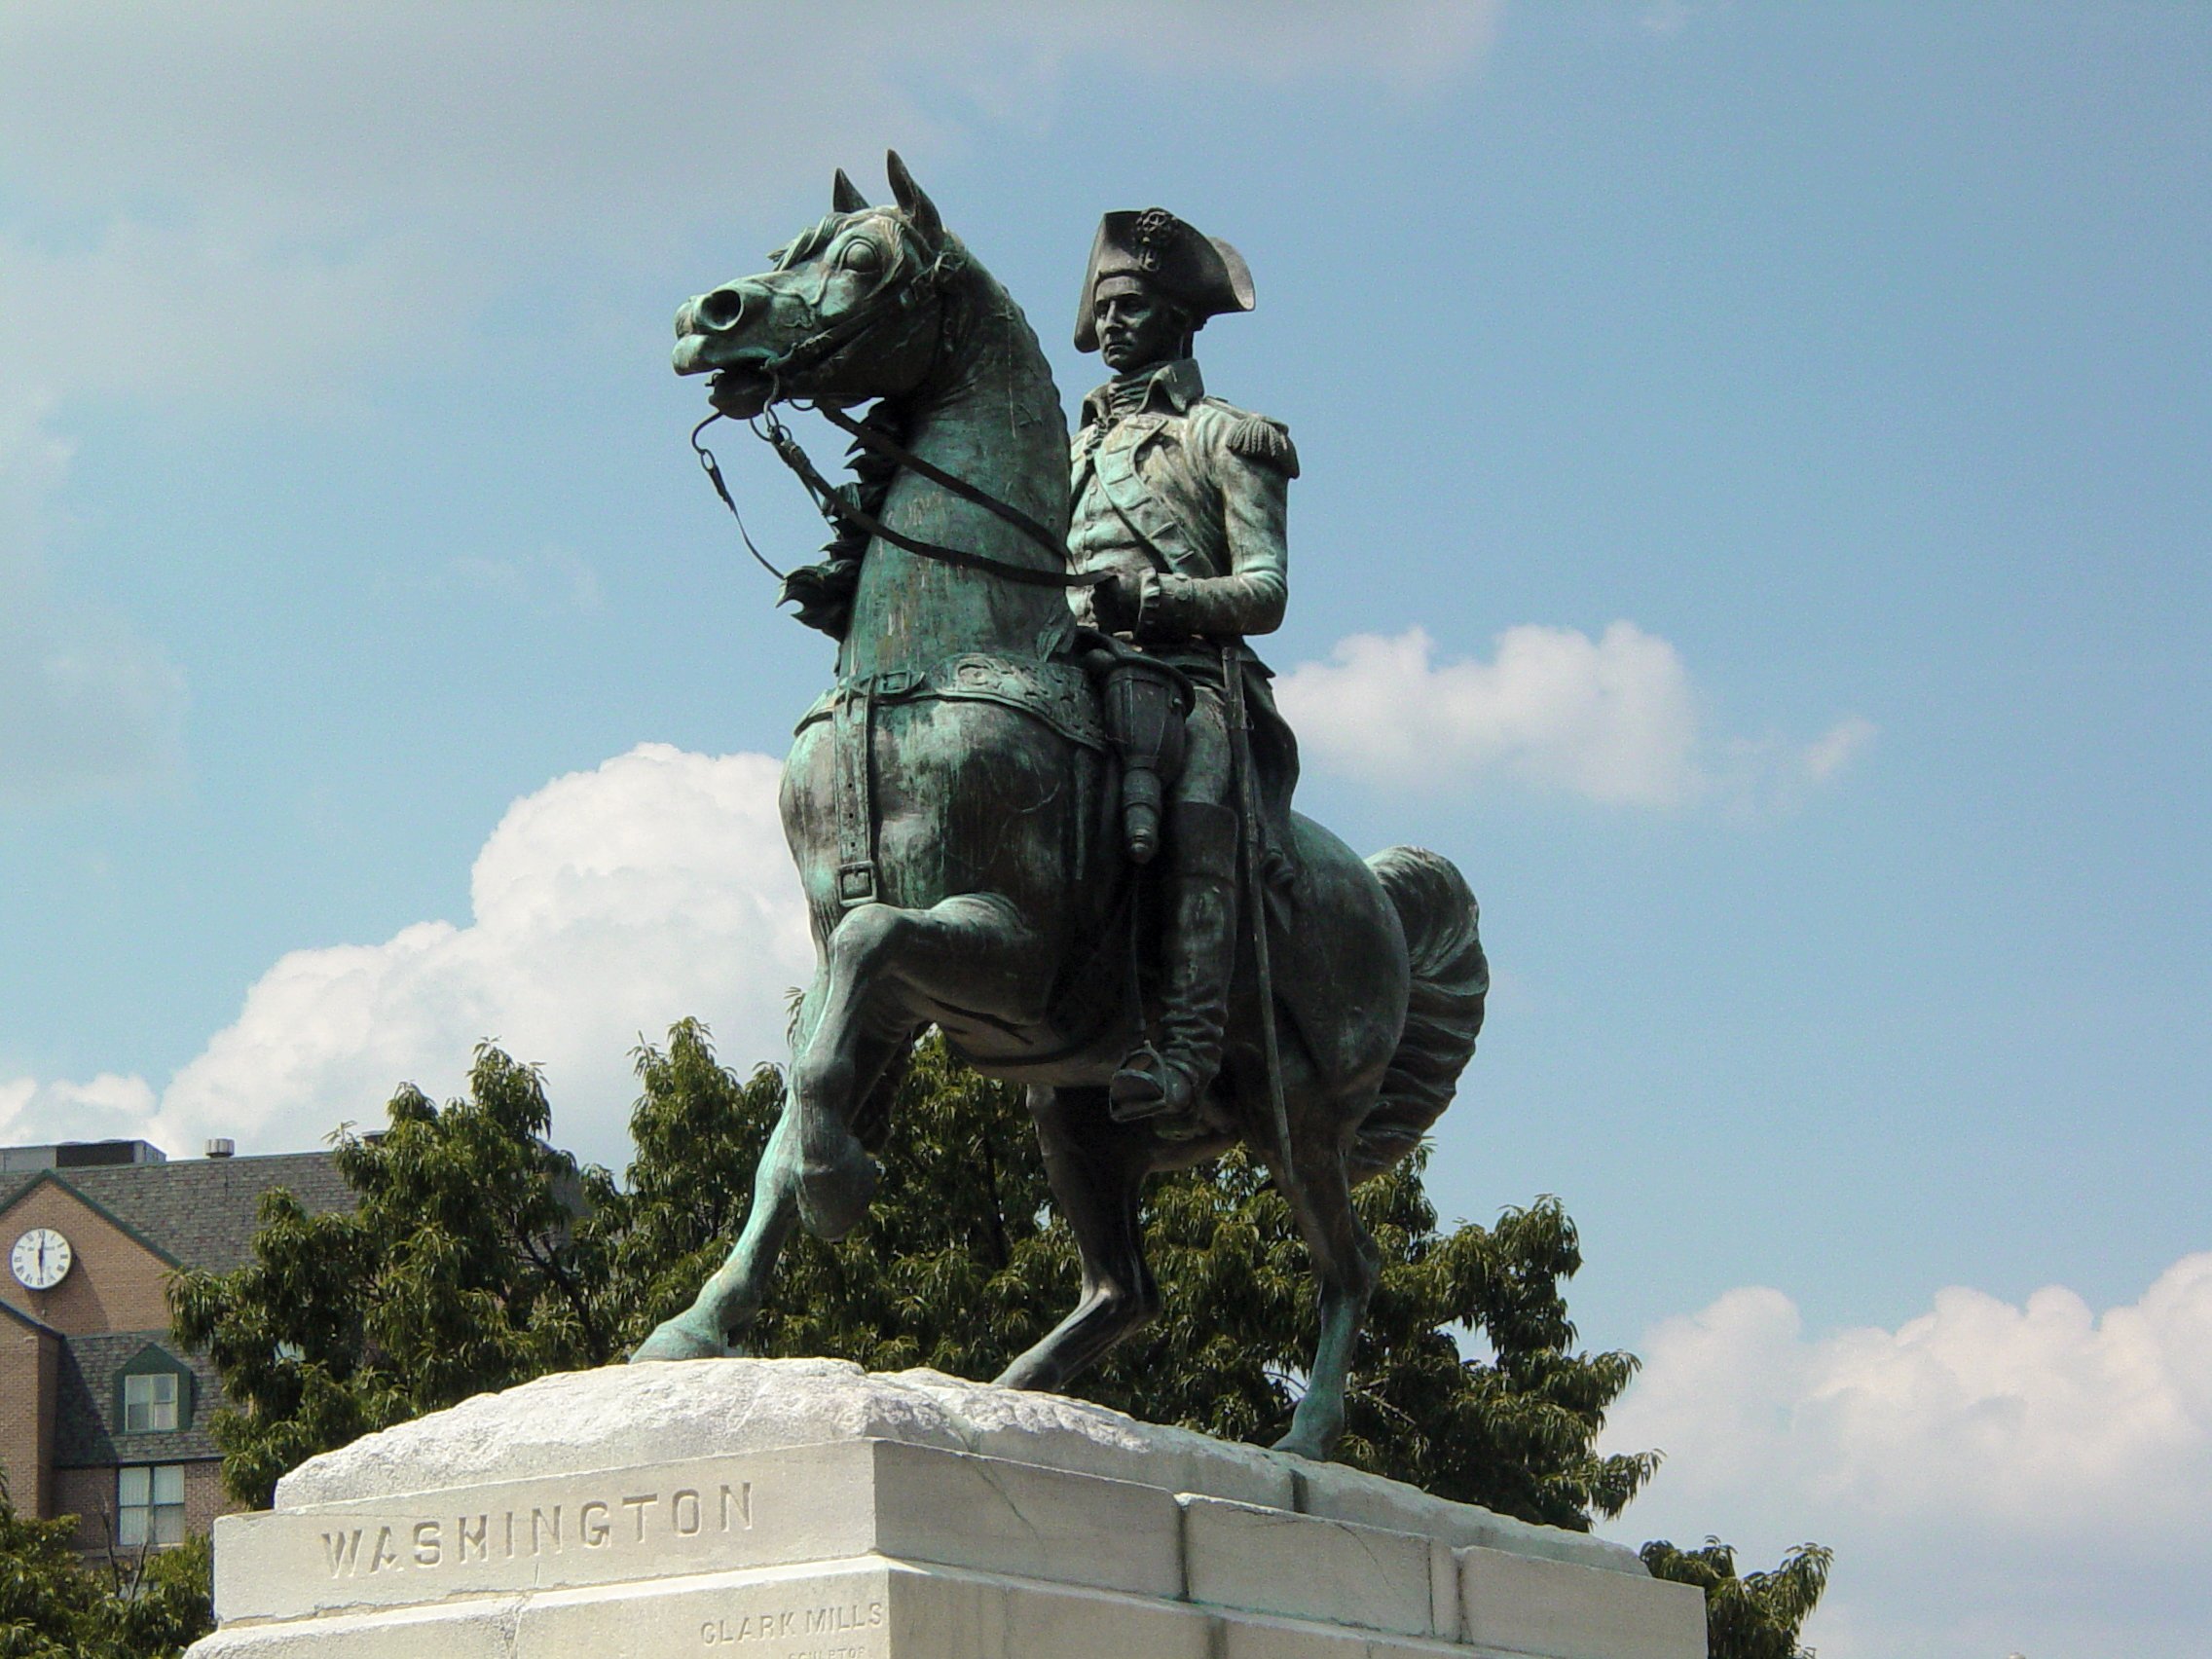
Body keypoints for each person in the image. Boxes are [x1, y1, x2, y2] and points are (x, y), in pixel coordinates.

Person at [1068, 207, 1302, 1126]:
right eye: (1104, 307)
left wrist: (1155, 600)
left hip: (1190, 675)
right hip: (1073, 658)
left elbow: (1266, 592)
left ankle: (1190, 1044)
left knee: (1198, 791)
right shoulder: (1070, 446)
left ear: (1178, 318)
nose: (1112, 323)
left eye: (1131, 306)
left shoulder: (1230, 437)